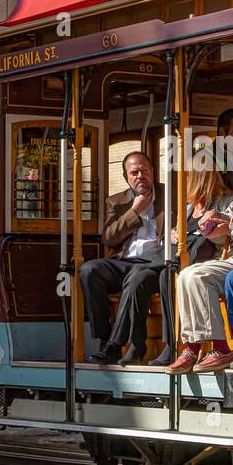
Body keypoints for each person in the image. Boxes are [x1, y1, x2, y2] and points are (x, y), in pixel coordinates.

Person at [78, 151, 171, 365]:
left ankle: (115, 346)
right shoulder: (116, 202)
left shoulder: (169, 195)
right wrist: (134, 211)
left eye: (144, 171)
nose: (140, 176)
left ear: (153, 172)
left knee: (137, 276)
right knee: (89, 270)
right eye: (134, 172)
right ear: (126, 177)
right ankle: (104, 339)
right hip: (124, 263)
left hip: (156, 263)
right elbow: (109, 238)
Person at [167, 146, 233, 374]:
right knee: (185, 275)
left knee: (195, 274)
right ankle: (192, 348)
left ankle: (218, 348)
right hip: (230, 257)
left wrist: (219, 224)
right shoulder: (191, 207)